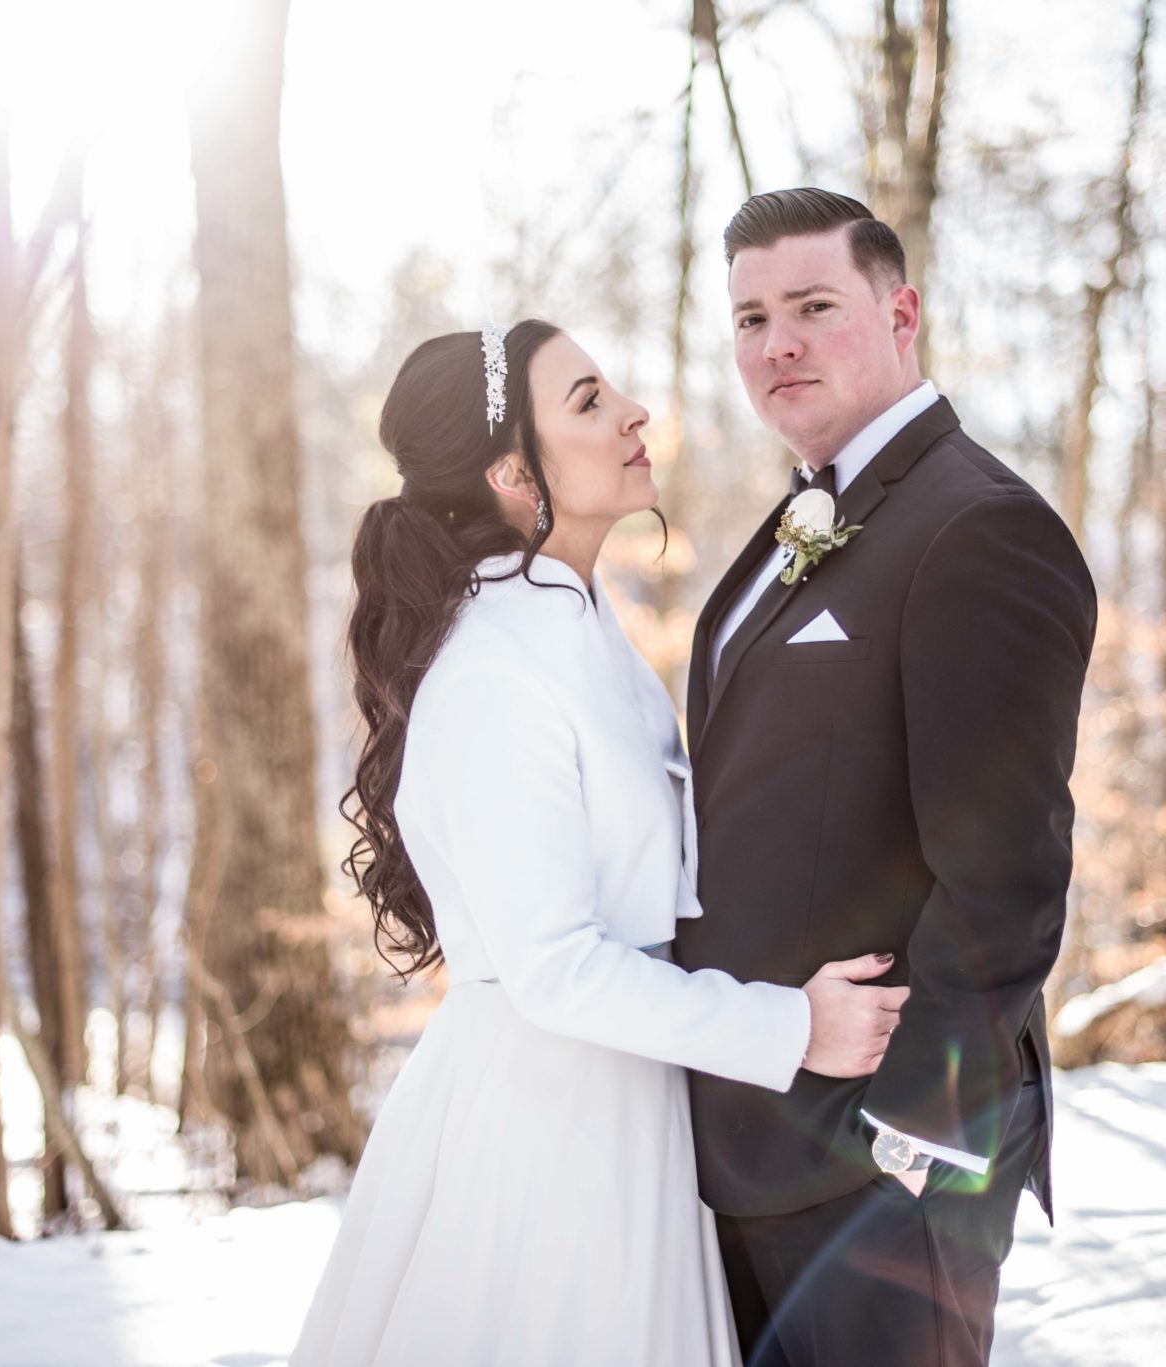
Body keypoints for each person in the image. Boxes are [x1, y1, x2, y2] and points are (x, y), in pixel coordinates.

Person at [290, 319, 908, 1367]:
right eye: (587, 401)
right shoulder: (493, 667)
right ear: (510, 474)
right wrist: (790, 1027)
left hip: (631, 1108)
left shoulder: (578, 624)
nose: (633, 412)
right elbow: (556, 967)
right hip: (542, 1138)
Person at [675, 188, 1099, 1366]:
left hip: (873, 1172)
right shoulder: (800, 519)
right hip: (751, 1132)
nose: (778, 343)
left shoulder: (978, 528)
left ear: (899, 314)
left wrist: (909, 1137)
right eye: (751, 318)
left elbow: (1006, 872)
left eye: (812, 306)